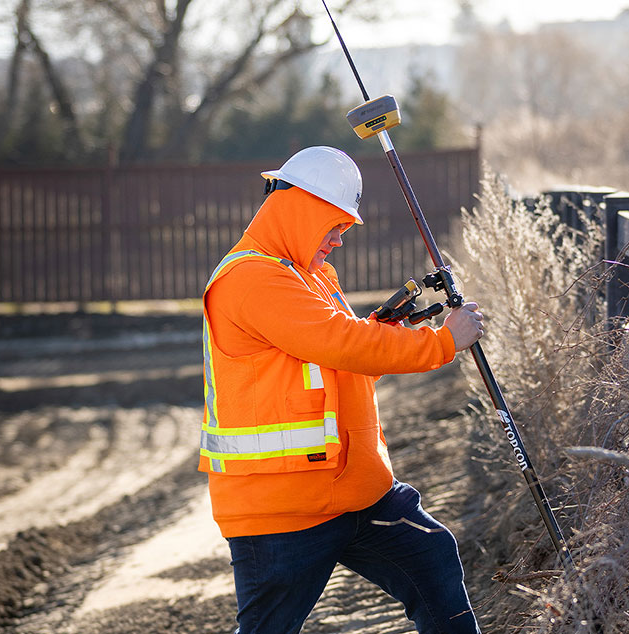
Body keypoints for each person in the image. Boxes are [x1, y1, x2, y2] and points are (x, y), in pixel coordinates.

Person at [199, 146, 484, 634]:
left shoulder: (309, 277)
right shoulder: (251, 279)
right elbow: (341, 342)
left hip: (359, 493)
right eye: (333, 225)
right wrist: (440, 342)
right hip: (282, 512)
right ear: (301, 210)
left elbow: (342, 362)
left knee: (432, 556)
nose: (338, 240)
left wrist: (384, 331)